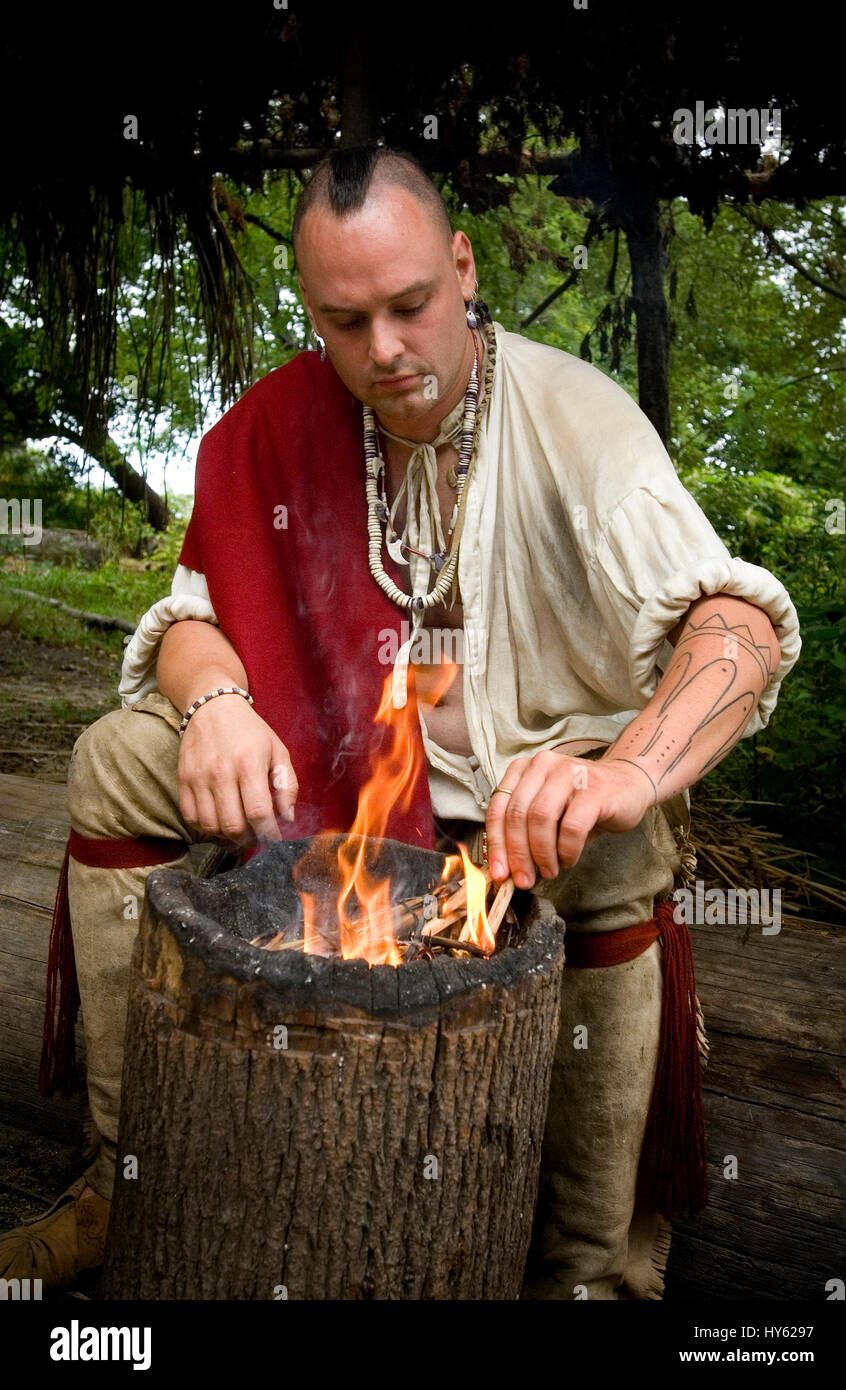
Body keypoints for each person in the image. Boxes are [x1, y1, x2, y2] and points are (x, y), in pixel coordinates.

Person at [0, 146, 800, 1298]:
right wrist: (217, 698)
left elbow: (739, 627)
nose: (384, 350)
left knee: (621, 843)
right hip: (336, 771)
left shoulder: (581, 425)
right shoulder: (282, 424)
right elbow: (189, 622)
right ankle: (128, 1182)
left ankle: (594, 1267)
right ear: (313, 315)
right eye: (346, 319)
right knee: (122, 756)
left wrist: (625, 772)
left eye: (412, 305)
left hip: (523, 811)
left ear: (463, 265)